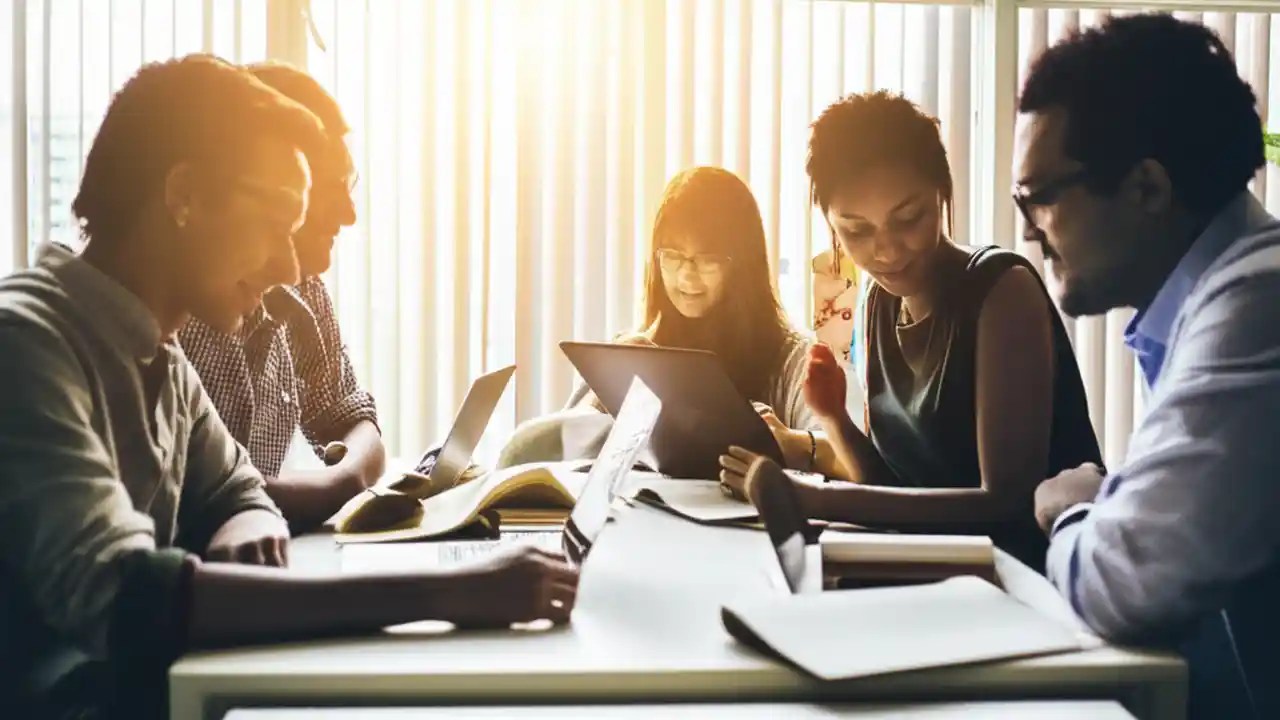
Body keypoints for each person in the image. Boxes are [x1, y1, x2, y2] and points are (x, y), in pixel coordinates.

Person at [0, 55, 577, 718]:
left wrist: (241, 519)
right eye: (276, 222)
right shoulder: (26, 343)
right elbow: (126, 597)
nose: (291, 264)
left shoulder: (153, 347)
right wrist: (447, 594)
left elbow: (236, 489)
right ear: (184, 196)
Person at [1015, 15, 1280, 719]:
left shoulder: (1260, 305)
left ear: (1147, 188)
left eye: (1039, 197)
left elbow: (1127, 581)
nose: (1026, 231)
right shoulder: (1215, 298)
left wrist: (1071, 510)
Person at [722, 92, 1101, 572]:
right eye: (856, 232)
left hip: (1030, 582)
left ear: (941, 194)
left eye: (908, 218)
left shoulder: (1002, 290)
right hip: (931, 568)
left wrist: (814, 498)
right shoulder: (878, 300)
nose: (885, 251)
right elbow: (887, 483)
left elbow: (1007, 504)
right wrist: (834, 418)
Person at [499, 166, 828, 472]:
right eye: (672, 256)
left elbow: (839, 456)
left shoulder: (793, 358)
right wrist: (601, 396)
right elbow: (541, 452)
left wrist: (785, 442)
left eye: (707, 259)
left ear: (743, 264)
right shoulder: (635, 348)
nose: (686, 275)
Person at [178, 62, 383, 533]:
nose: (349, 215)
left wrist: (346, 481)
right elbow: (193, 501)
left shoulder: (302, 288)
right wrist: (336, 489)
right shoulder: (179, 307)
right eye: (331, 189)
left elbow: (349, 412)